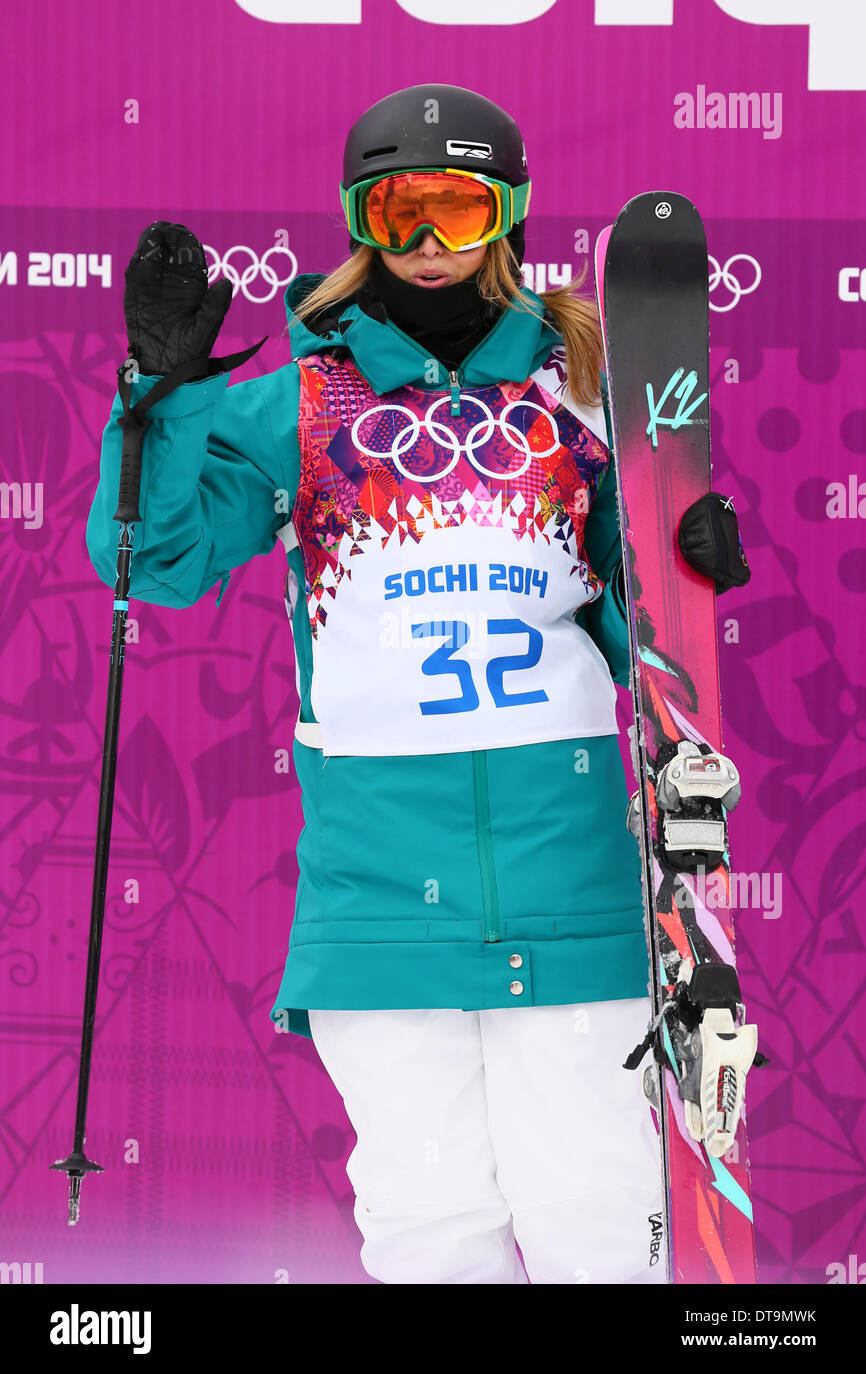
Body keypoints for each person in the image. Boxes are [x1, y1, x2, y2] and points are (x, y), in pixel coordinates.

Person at [88, 84, 699, 1284]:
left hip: (566, 875)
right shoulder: (307, 402)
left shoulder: (582, 389)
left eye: (455, 211)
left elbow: (651, 623)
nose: (426, 245)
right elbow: (151, 562)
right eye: (397, 211)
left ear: (507, 217)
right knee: (428, 1223)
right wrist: (160, 402)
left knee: (589, 1200)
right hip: (375, 891)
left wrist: (691, 554)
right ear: (360, 220)